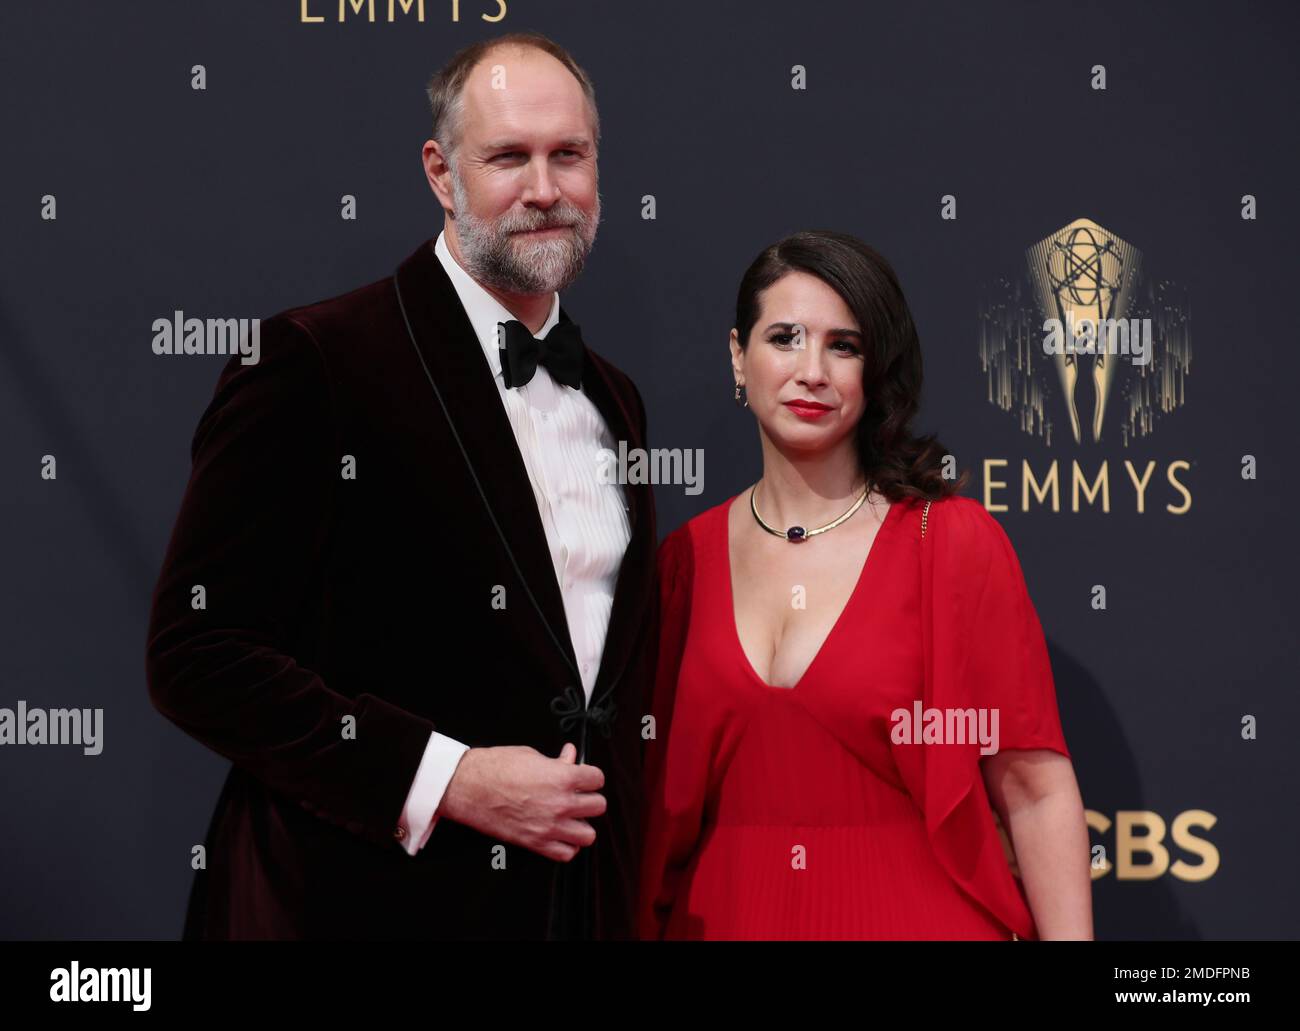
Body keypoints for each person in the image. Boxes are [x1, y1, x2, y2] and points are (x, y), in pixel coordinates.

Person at [146, 32, 656, 940]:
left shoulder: (616, 400)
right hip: (352, 904)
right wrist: (450, 778)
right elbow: (198, 654)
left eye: (567, 155)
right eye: (508, 156)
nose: (545, 189)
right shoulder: (315, 362)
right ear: (440, 172)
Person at [638, 230, 1093, 940]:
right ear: (738, 356)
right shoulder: (682, 561)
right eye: (784, 337)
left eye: (842, 346)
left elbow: (1034, 789)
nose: (811, 370)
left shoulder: (949, 544)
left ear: (873, 369)